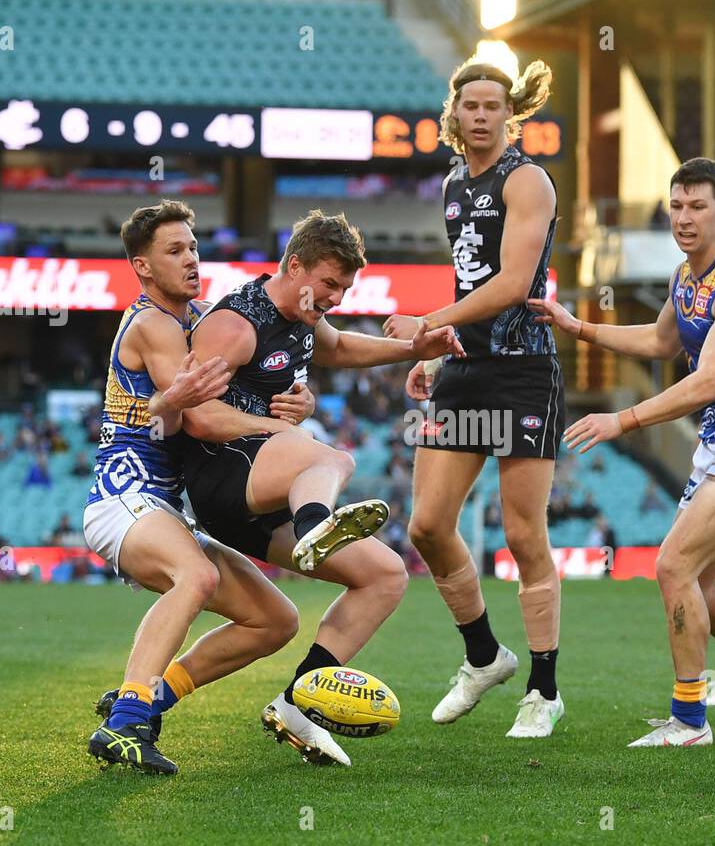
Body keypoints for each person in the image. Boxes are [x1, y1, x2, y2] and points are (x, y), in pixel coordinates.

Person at [535, 158, 715, 746]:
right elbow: (662, 340)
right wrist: (581, 329)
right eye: (676, 206)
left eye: (697, 206)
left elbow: (710, 380)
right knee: (699, 586)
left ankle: (690, 721)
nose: (684, 218)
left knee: (672, 567)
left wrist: (624, 419)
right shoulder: (684, 277)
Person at [177, 209, 463, 767]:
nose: (335, 296)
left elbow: (338, 349)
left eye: (344, 287)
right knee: (332, 455)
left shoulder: (304, 315)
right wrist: (278, 424)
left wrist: (414, 349)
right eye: (329, 283)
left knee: (384, 575)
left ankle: (295, 706)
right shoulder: (236, 323)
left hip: (269, 484)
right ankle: (315, 526)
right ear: (294, 265)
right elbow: (198, 416)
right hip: (221, 479)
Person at [84, 199, 314, 775]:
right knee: (198, 575)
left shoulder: (203, 320)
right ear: (141, 266)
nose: (191, 258)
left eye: (193, 246)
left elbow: (268, 368)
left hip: (162, 506)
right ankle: (125, 724)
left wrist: (299, 393)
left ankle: (150, 698)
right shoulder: (156, 324)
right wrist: (276, 422)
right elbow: (193, 416)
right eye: (174, 250)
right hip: (123, 498)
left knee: (275, 621)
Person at [384, 55, 567, 738]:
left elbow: (515, 284)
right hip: (465, 370)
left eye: (495, 105)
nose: (483, 115)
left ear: (509, 113)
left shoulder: (528, 180)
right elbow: (469, 285)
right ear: (454, 114)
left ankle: (544, 690)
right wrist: (438, 354)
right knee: (428, 525)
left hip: (523, 371)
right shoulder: (455, 183)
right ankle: (485, 656)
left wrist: (428, 324)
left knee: (523, 534)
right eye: (472, 105)